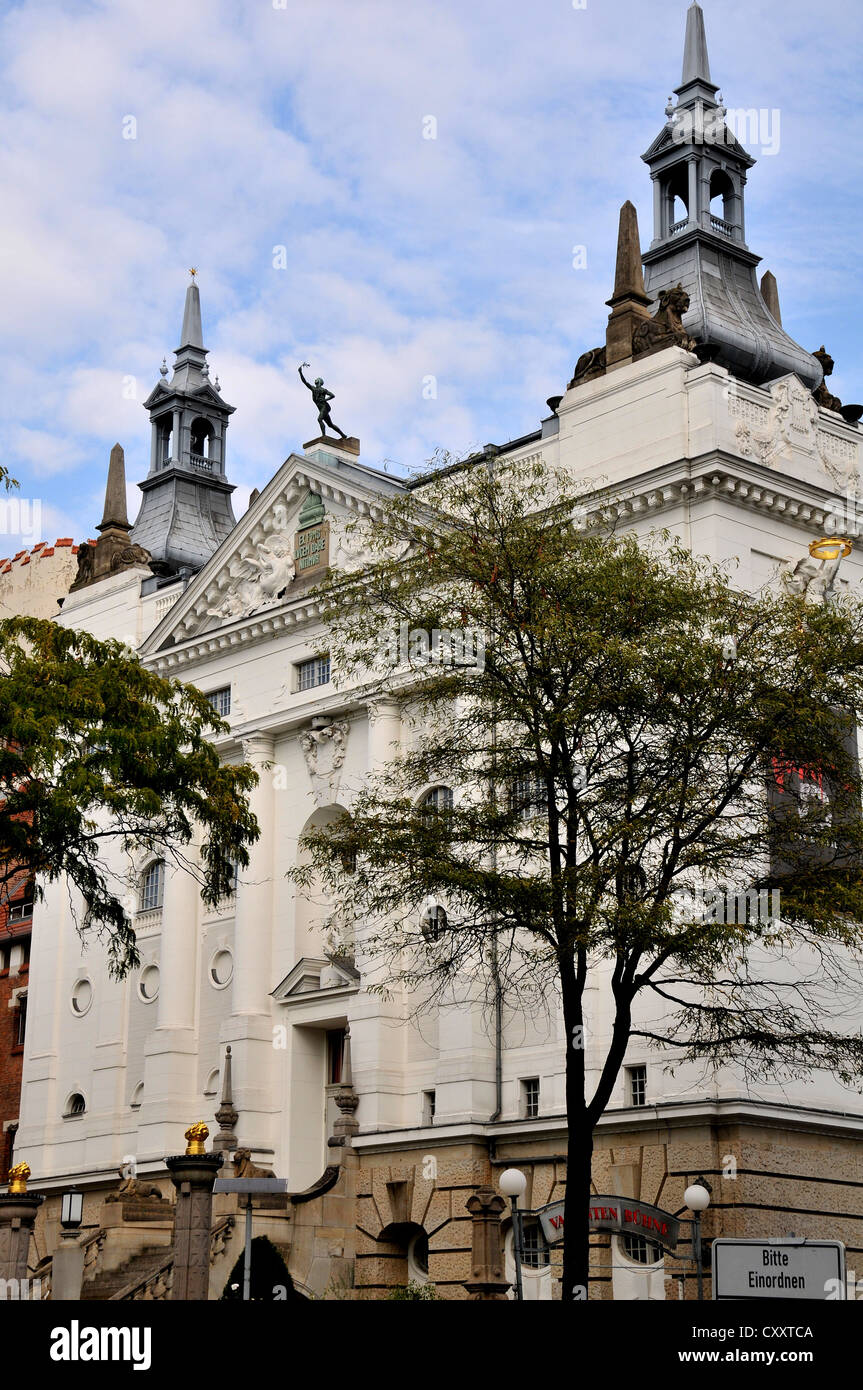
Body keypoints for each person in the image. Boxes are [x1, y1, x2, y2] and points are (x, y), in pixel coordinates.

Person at [298, 363, 347, 439]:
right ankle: (343, 435)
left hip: (324, 407)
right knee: (330, 425)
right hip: (321, 409)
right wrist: (300, 372)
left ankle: (324, 436)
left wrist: (325, 399)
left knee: (319, 419)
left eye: (317, 379)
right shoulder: (313, 389)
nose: (315, 380)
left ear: (319, 382)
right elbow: (305, 382)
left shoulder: (323, 390)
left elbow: (332, 395)